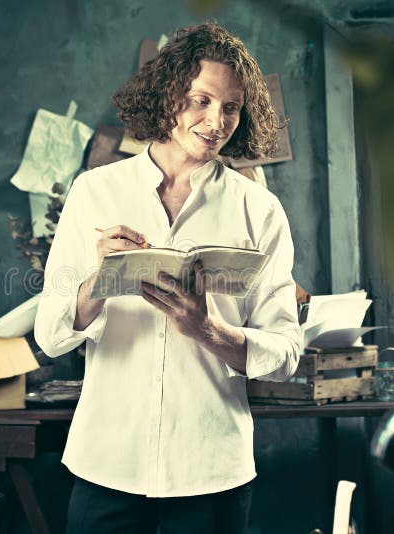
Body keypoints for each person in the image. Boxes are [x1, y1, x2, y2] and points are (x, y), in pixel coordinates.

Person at [34, 22, 301, 534]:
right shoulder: (94, 193)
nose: (214, 121)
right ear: (169, 93)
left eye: (230, 108)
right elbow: (50, 334)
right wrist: (96, 282)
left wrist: (206, 330)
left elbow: (286, 353)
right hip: (106, 461)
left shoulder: (261, 211)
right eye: (200, 100)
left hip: (212, 471)